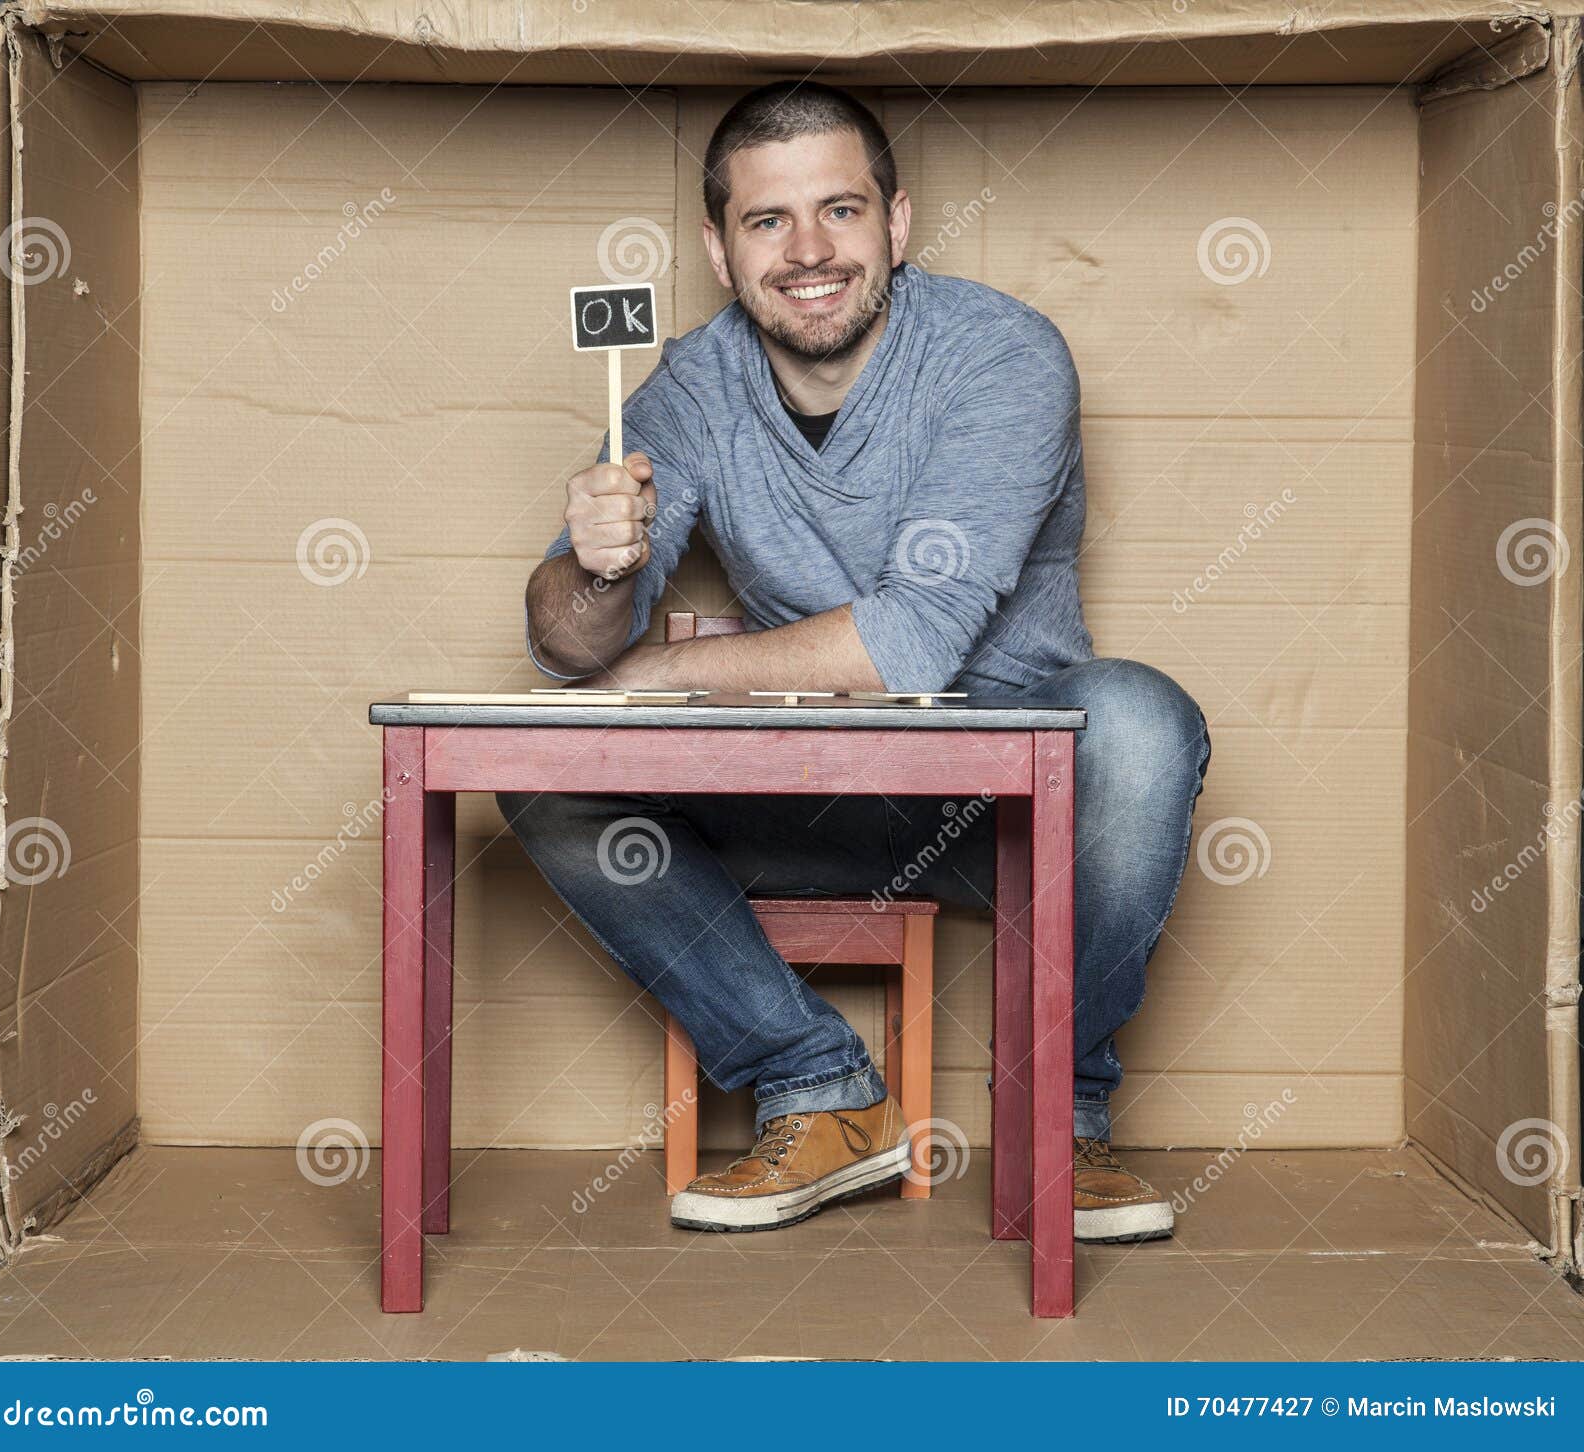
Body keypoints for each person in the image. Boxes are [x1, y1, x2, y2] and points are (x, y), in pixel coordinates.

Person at [500, 80, 1210, 1243]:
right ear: (720, 252)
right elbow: (566, 645)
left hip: (1012, 811)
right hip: (806, 789)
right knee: (537, 766)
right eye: (767, 220)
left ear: (897, 221)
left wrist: (659, 676)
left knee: (1136, 720)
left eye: (840, 210)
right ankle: (818, 1089)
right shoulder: (684, 388)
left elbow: (913, 642)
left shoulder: (1000, 353)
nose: (809, 251)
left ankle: (1060, 1117)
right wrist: (597, 565)